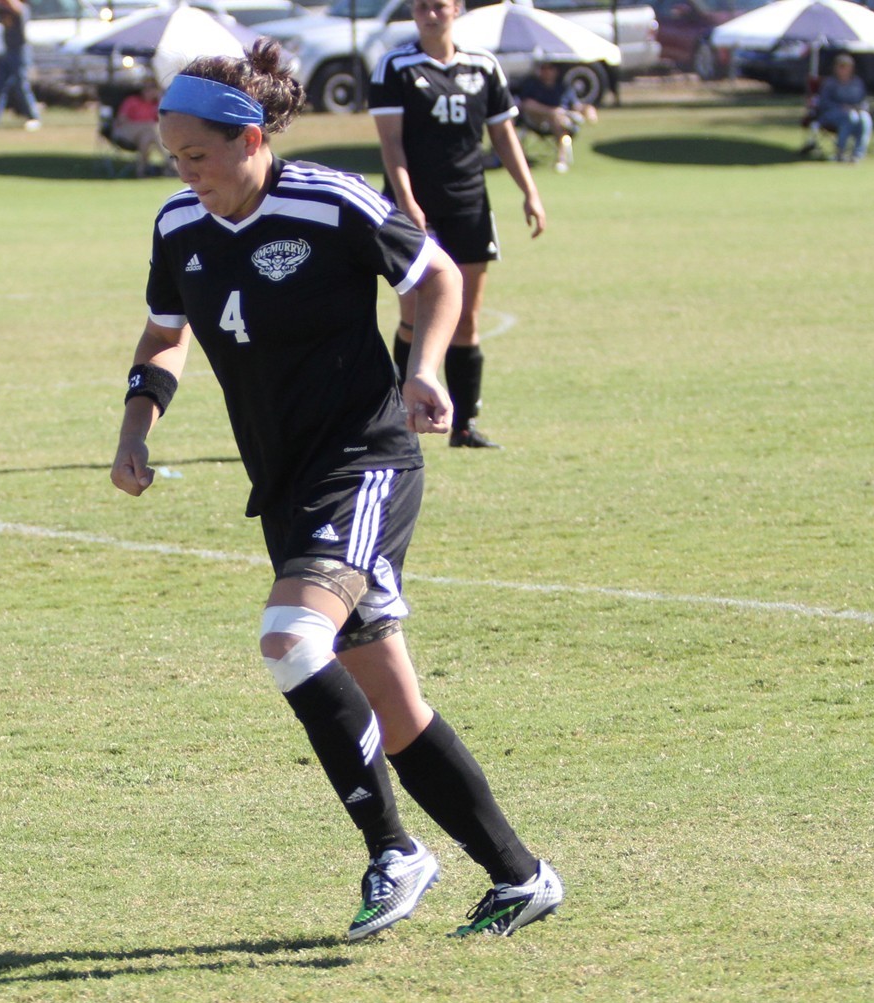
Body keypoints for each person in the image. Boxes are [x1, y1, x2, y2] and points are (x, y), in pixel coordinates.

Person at [111, 41, 563, 941]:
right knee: (392, 707)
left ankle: (395, 851)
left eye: (197, 156)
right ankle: (521, 876)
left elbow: (433, 274)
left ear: (249, 140)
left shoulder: (329, 200)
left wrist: (426, 369)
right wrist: (134, 429)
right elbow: (166, 335)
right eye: (173, 159)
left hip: (364, 462)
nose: (185, 174)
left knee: (289, 638)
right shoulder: (177, 226)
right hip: (283, 484)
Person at [369, 0, 547, 450]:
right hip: (414, 208)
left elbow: (503, 134)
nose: (432, 14)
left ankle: (463, 425)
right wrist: (406, 199)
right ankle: (400, 419)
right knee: (413, 315)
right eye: (424, 6)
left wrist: (530, 191)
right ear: (413, 10)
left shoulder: (483, 66)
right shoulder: (396, 66)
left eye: (441, 6)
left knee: (466, 316)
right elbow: (391, 143)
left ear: (457, 10)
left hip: (468, 204)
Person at [514, 60, 596, 174]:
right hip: (535, 121)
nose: (546, 72)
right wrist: (551, 111)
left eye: (550, 69)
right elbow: (526, 104)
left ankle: (561, 159)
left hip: (559, 123)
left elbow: (576, 106)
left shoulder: (563, 88)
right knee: (554, 115)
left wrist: (588, 110)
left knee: (558, 120)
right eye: (543, 68)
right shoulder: (532, 85)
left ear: (556, 71)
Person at [0, 0, 41, 131]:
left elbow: (15, 7)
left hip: (19, 51)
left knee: (20, 84)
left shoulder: (22, 8)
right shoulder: (4, 10)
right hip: (6, 51)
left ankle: (33, 116)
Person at [817, 53, 872, 163]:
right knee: (850, 117)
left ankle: (857, 154)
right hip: (832, 114)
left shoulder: (857, 82)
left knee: (865, 118)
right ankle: (840, 152)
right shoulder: (830, 83)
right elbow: (823, 102)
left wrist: (860, 107)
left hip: (856, 113)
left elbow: (863, 101)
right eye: (841, 66)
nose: (844, 69)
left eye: (846, 66)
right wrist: (841, 107)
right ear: (835, 68)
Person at [111, 75, 163, 178]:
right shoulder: (132, 101)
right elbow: (121, 120)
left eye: (153, 88)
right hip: (124, 132)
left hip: (146, 134)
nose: (149, 91)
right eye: (147, 88)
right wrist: (142, 125)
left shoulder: (156, 105)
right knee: (150, 126)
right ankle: (171, 164)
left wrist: (160, 99)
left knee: (147, 137)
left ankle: (141, 172)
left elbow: (163, 120)